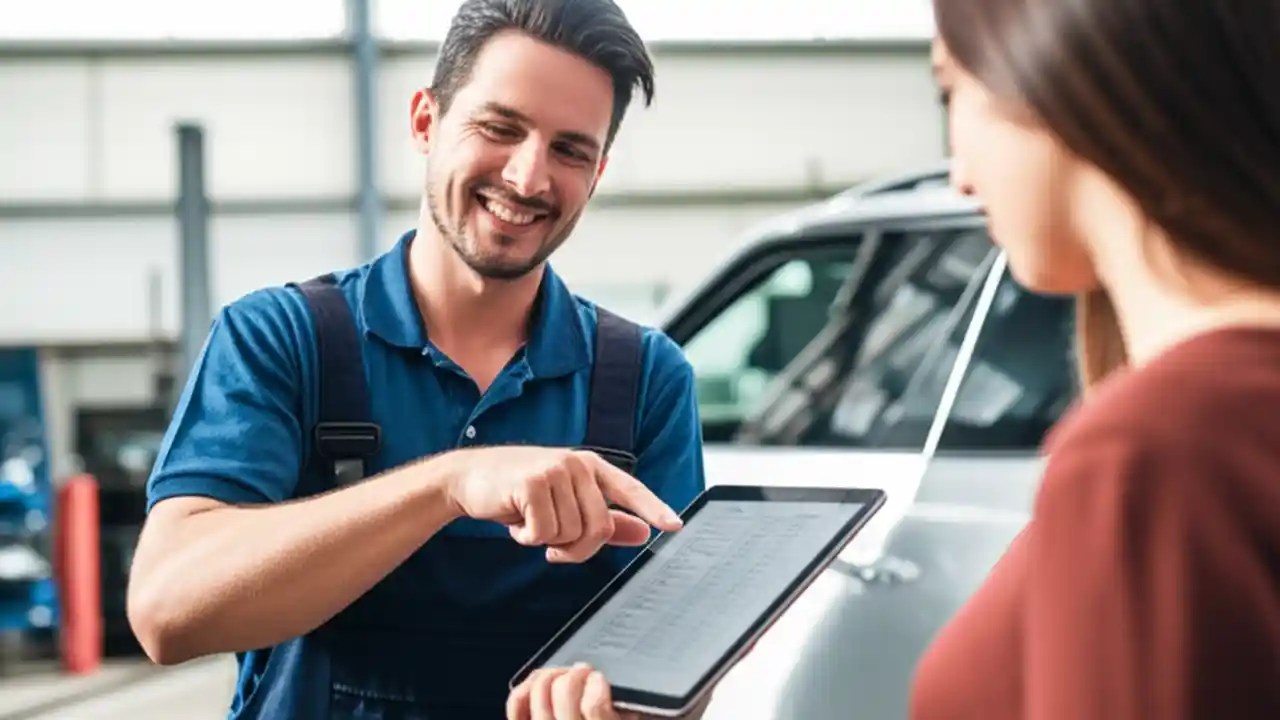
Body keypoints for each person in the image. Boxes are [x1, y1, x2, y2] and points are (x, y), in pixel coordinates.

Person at [521, 0, 1280, 718]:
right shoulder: (1220, 417)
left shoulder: (1153, 449)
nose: (959, 170)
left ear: (1064, 76)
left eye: (953, 88)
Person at [125, 1, 705, 718]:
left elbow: (684, 680)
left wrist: (621, 703)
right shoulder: (282, 339)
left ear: (599, 170)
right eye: (499, 129)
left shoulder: (646, 380)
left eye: (570, 150)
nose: (528, 178)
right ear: (426, 121)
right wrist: (450, 484)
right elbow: (166, 612)